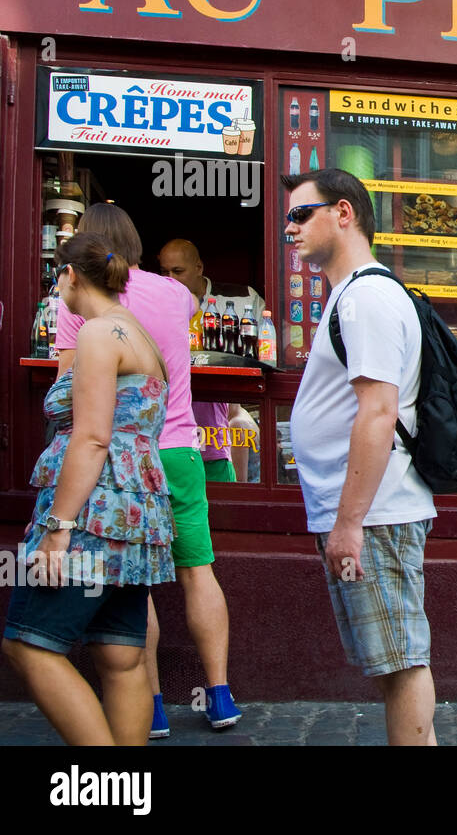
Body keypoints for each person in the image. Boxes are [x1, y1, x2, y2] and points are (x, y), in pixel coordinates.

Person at [55, 203, 241, 735]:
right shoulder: (177, 293)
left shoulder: (82, 299)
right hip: (180, 449)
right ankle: (221, 695)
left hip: (120, 458)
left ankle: (153, 704)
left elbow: (69, 387)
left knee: (137, 584)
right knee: (197, 570)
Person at [283, 167, 438, 746]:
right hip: (364, 513)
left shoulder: (368, 296)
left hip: (376, 514)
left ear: (343, 213)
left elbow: (377, 412)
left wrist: (348, 524)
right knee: (392, 660)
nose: (290, 229)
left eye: (301, 214)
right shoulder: (351, 295)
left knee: (400, 661)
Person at [2, 234, 174, 745]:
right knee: (121, 657)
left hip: (92, 515)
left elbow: (93, 437)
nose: (58, 289)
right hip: (134, 518)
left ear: (71, 275)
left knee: (28, 645)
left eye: (58, 278)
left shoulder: (100, 335)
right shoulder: (138, 334)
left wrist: (58, 529)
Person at [158, 237, 266, 318]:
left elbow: (271, 340)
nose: (171, 278)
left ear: (199, 268)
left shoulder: (245, 297)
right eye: (164, 272)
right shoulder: (156, 304)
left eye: (178, 271)